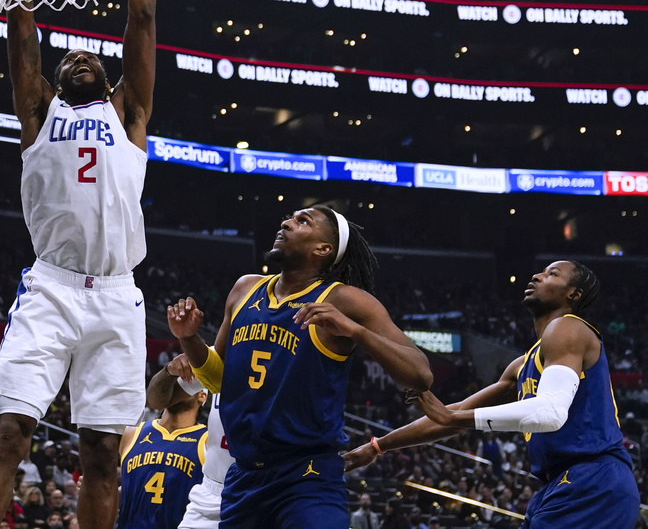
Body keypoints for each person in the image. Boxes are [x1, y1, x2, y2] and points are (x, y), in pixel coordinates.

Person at [0, 0, 157, 529]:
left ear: (110, 83)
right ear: (52, 79)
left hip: (115, 293)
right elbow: (20, 24)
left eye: (93, 59)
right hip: (50, 285)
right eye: (68, 57)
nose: (80, 56)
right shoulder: (38, 114)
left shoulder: (128, 115)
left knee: (104, 452)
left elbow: (143, 17)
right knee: (12, 432)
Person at [168, 206, 432, 529]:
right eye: (290, 217)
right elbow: (219, 379)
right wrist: (189, 339)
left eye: (302, 221)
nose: (285, 222)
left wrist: (357, 332)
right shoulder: (244, 290)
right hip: (244, 478)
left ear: (323, 250)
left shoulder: (344, 301)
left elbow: (421, 373)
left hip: (307, 478)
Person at [343, 260, 641, 529]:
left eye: (552, 274)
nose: (537, 275)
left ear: (573, 295)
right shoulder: (523, 364)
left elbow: (550, 412)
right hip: (564, 483)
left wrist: (452, 415)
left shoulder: (568, 328)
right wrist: (379, 445)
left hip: (594, 479)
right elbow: (452, 416)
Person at [145, 354, 232, 529]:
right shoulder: (221, 355)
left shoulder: (203, 437)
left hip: (265, 488)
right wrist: (170, 371)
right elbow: (155, 400)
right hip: (211, 495)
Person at [118, 379, 207, 529]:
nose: (181, 382)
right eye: (177, 378)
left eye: (189, 379)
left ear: (202, 395)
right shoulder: (132, 433)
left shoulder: (208, 440)